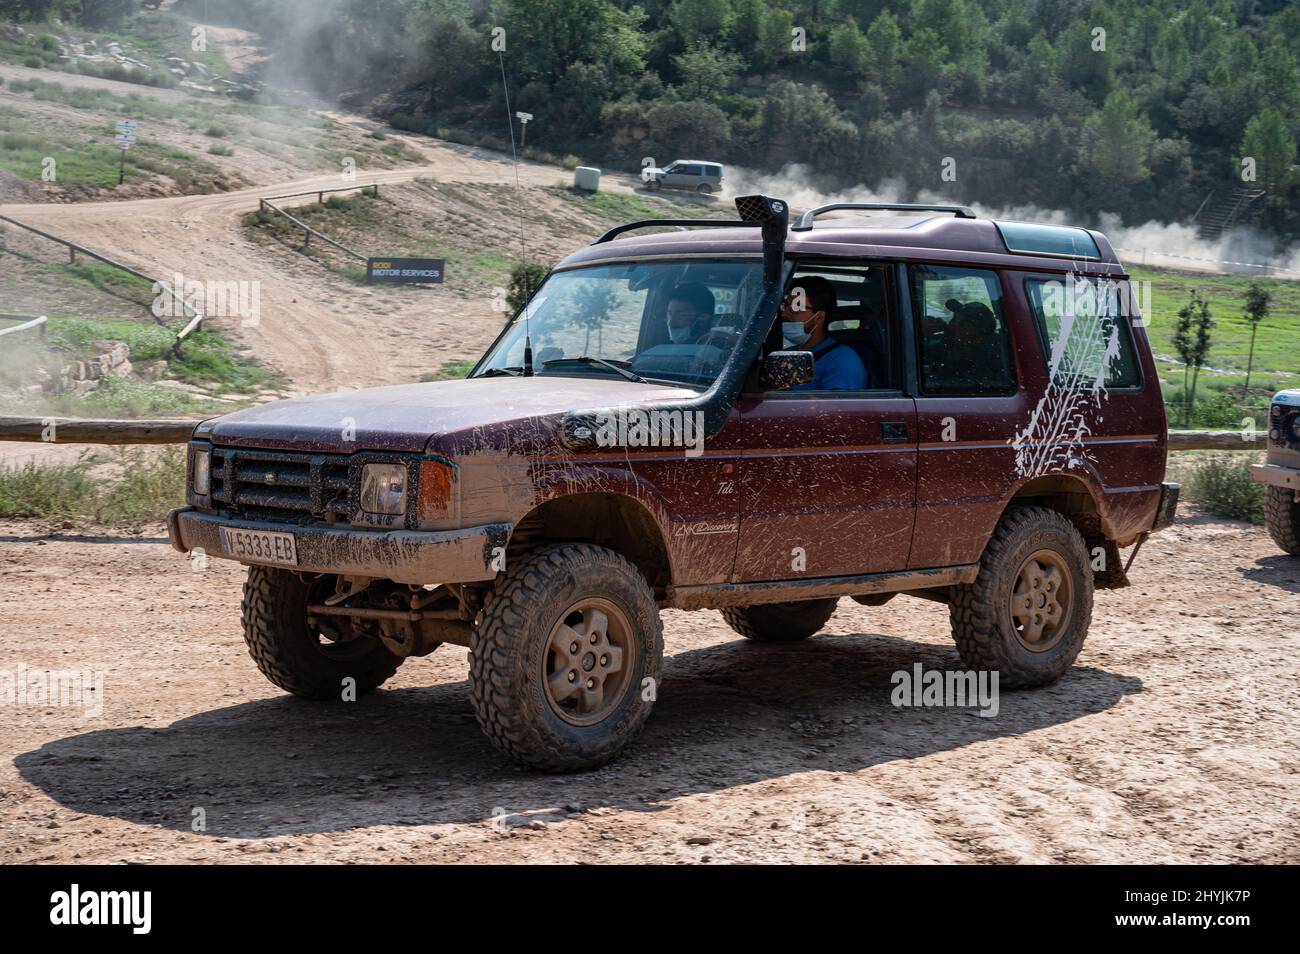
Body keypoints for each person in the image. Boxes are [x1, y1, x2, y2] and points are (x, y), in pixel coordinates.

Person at [780, 276, 868, 390]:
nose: (785, 314)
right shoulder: (786, 355)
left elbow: (837, 407)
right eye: (786, 306)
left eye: (796, 308)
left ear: (819, 317)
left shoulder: (843, 361)